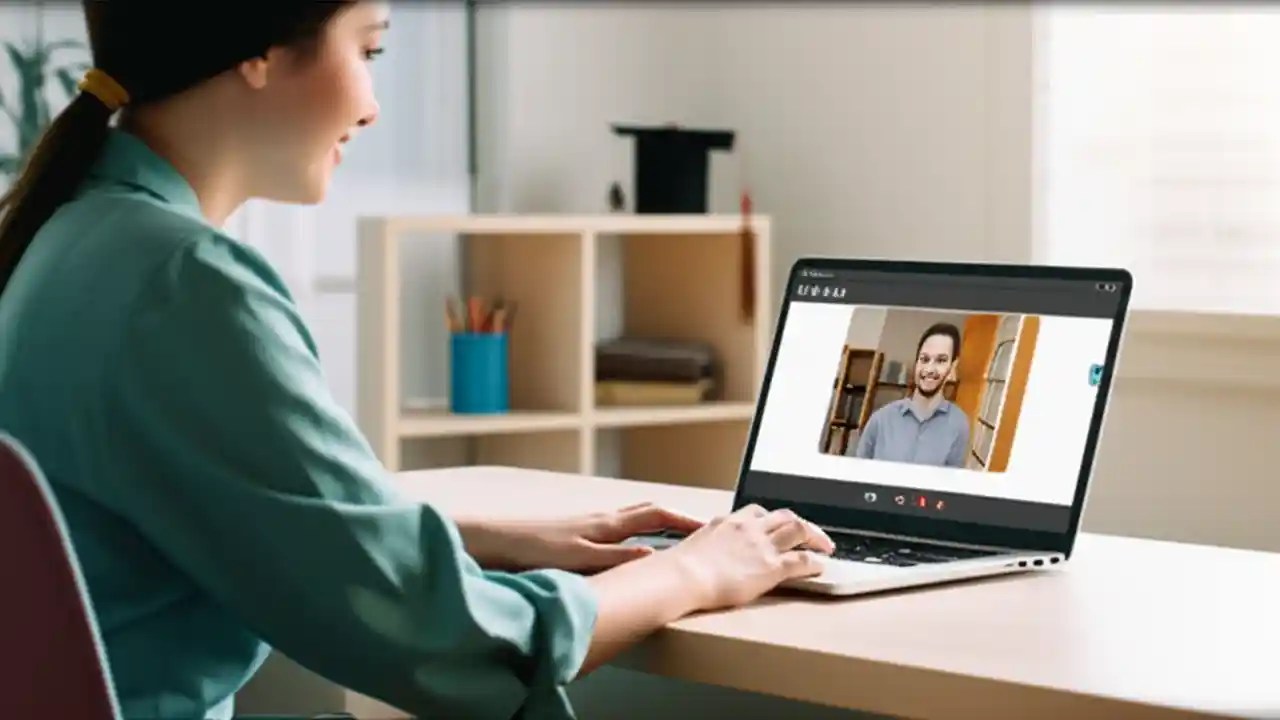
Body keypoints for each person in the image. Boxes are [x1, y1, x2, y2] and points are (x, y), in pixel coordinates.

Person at [0, 3, 834, 718]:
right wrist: (697, 570)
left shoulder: (71, 235)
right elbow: (451, 644)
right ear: (257, 52)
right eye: (368, 51)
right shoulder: (184, 284)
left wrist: (483, 542)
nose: (370, 107)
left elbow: (214, 517)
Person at [851, 322, 971, 468]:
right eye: (924, 359)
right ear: (916, 363)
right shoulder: (881, 419)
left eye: (941, 360)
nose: (930, 369)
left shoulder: (959, 424)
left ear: (952, 367)